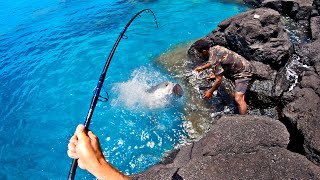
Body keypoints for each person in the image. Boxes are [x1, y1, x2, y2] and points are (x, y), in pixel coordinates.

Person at [193, 39, 254, 115]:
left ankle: (244, 121)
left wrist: (210, 91)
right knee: (235, 94)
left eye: (199, 52)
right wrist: (202, 68)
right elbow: (216, 61)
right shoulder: (216, 48)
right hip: (245, 64)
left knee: (238, 98)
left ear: (204, 51)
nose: (199, 54)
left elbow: (219, 80)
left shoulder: (213, 60)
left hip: (243, 73)